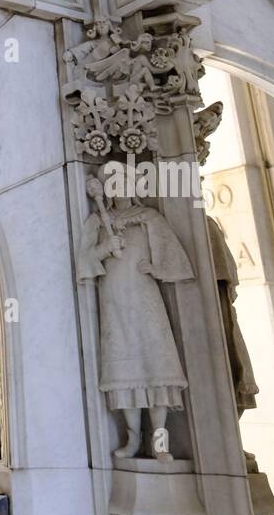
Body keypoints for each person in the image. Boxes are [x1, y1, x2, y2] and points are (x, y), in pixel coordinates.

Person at [78, 176, 193, 460]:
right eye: (111, 184)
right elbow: (83, 261)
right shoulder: (98, 221)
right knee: (125, 371)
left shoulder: (147, 218)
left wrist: (156, 267)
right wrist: (106, 248)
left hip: (144, 296)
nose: (117, 190)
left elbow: (173, 257)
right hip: (115, 299)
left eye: (122, 183)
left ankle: (160, 441)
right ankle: (133, 439)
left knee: (155, 365)